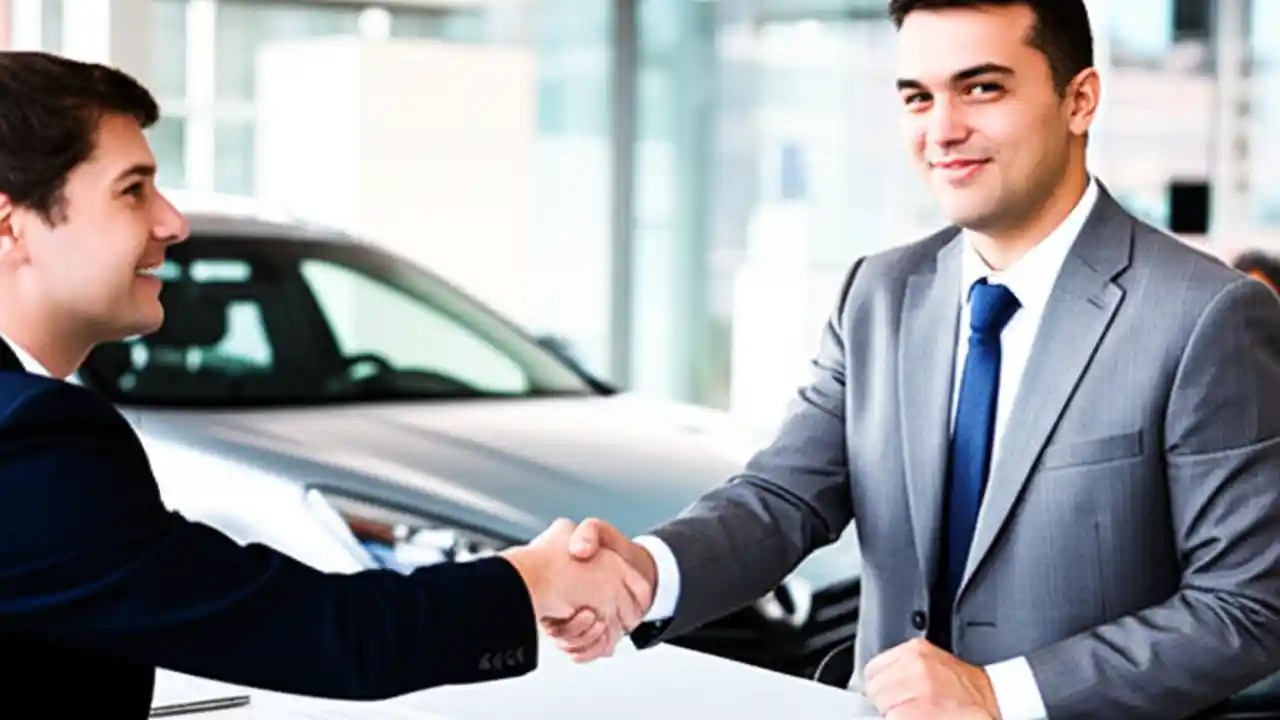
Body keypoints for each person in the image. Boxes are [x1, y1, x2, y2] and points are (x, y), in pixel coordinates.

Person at [546, 1, 1280, 719]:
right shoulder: (879, 293)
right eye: (918, 97)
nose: (943, 130)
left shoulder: (1204, 316)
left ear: (1080, 99)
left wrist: (999, 696)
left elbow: (1247, 605)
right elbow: (782, 498)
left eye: (981, 88)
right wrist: (647, 572)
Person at [0, 51, 650, 717]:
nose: (172, 222)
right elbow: (325, 632)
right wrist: (532, 577)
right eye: (132, 189)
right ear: (10, 225)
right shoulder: (30, 437)